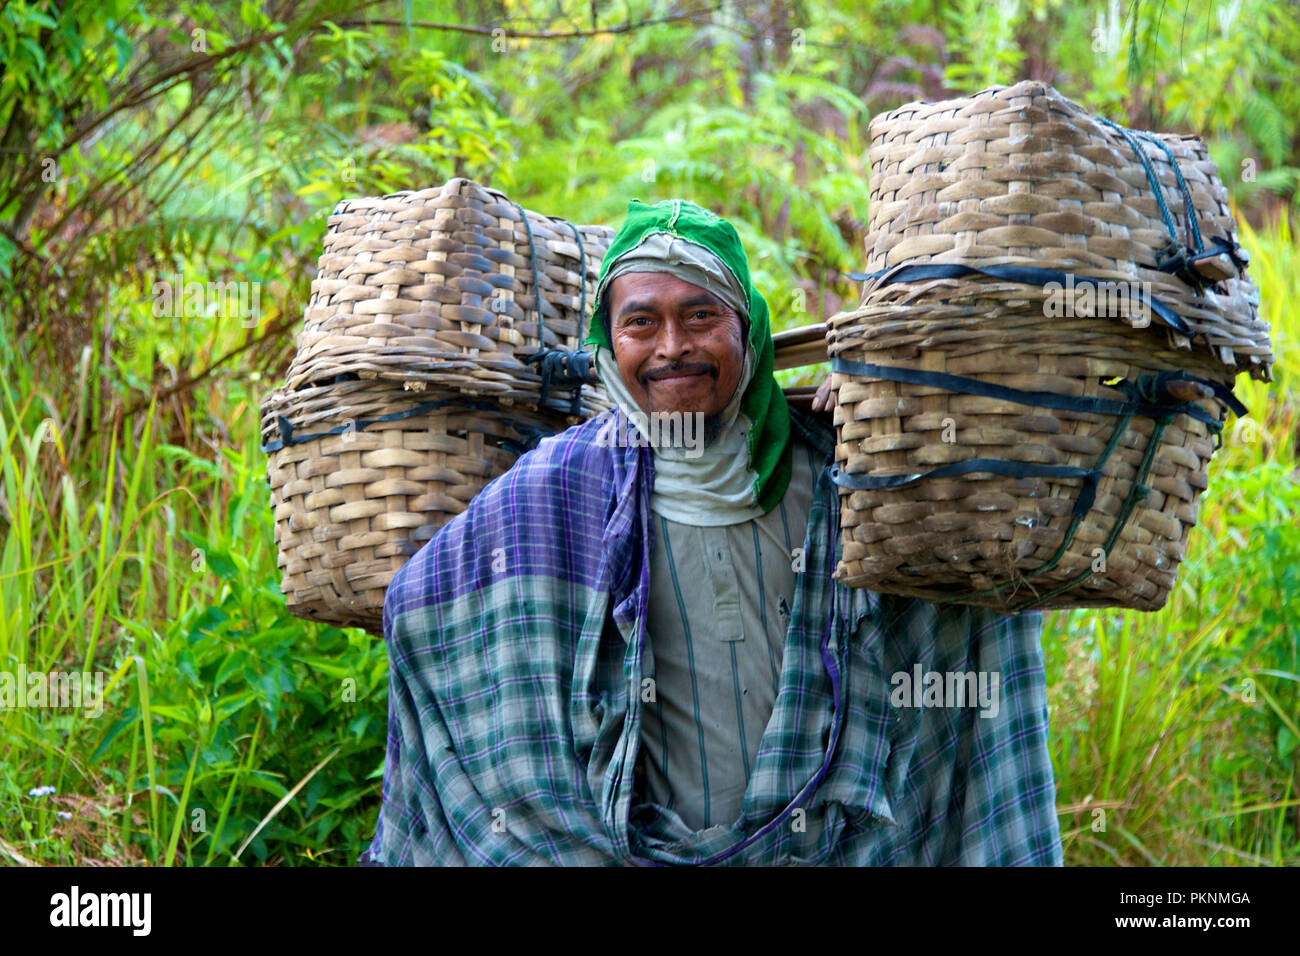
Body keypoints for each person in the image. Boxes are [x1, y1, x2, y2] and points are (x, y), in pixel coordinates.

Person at [360, 197, 1063, 865]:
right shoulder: (554, 492)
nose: (672, 347)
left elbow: (989, 540)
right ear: (608, 345)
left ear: (747, 328)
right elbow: (419, 608)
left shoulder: (843, 471)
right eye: (641, 323)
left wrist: (897, 415)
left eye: (700, 315)